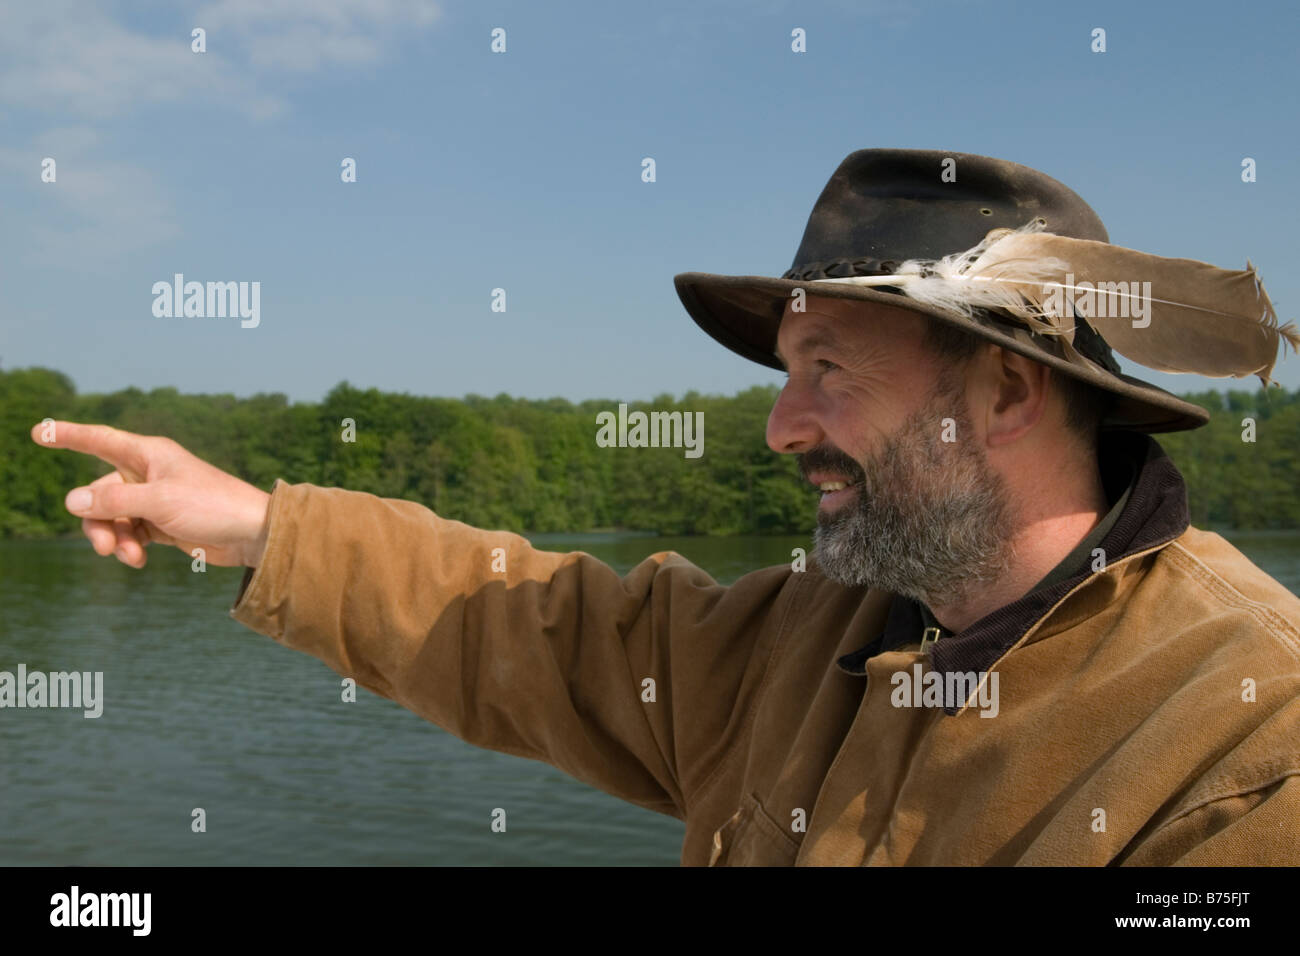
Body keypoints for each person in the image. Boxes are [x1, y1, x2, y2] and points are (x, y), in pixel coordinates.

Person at [32, 149, 1300, 865]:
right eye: (784, 371)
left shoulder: (1247, 739)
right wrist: (259, 525)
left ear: (1010, 391)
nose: (780, 423)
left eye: (829, 371)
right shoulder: (808, 640)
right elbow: (533, 626)